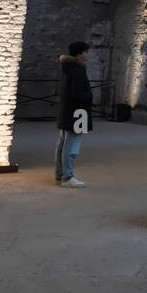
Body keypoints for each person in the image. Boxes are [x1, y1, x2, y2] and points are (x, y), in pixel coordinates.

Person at [55, 41, 93, 188]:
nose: (88, 55)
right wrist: (90, 95)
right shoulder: (78, 71)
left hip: (69, 112)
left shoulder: (68, 68)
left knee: (63, 145)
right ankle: (68, 177)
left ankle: (60, 175)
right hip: (79, 112)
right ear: (80, 54)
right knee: (72, 146)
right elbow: (78, 94)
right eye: (86, 52)